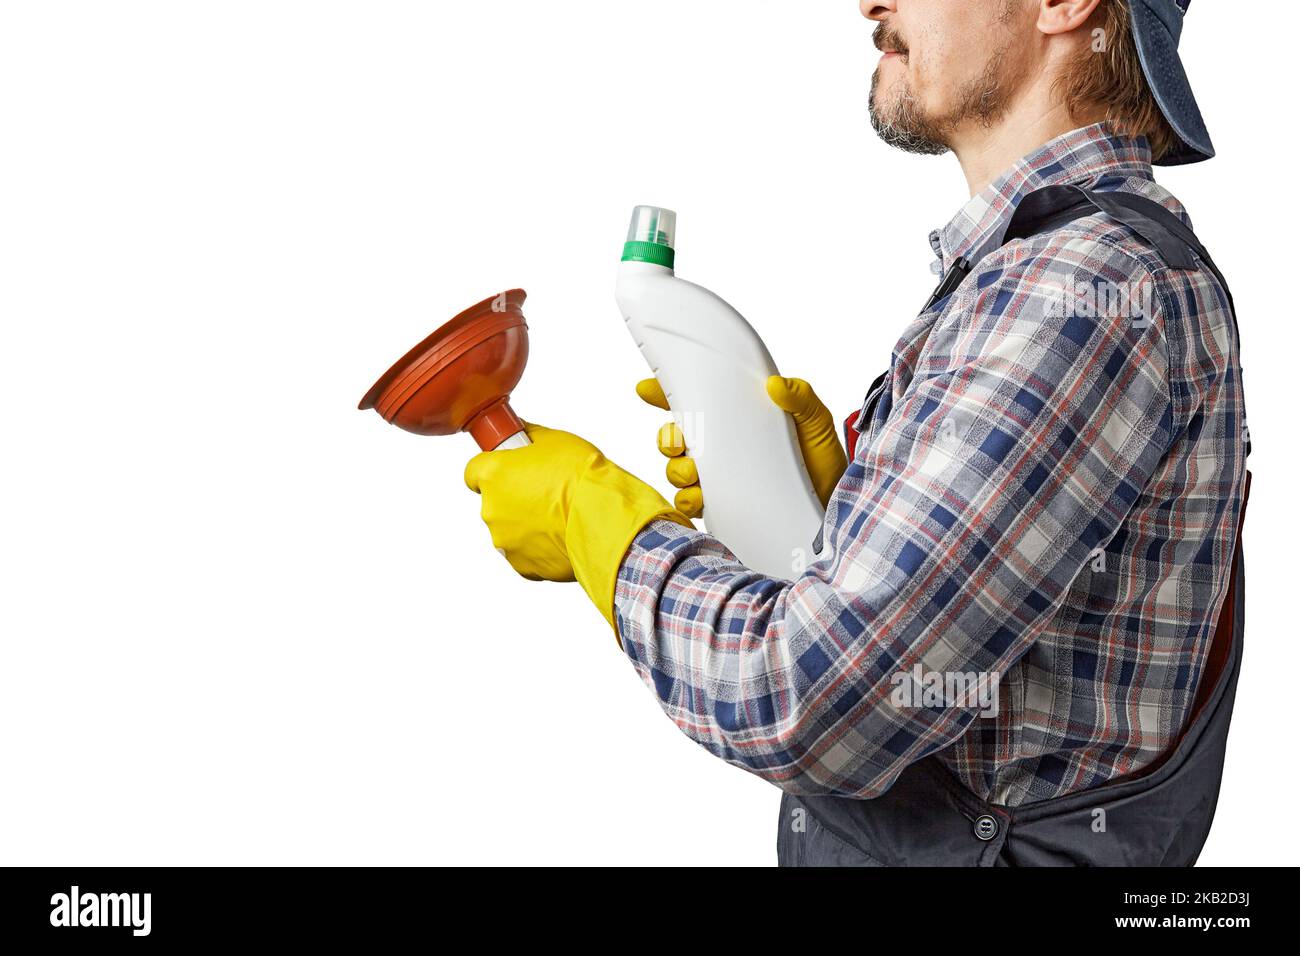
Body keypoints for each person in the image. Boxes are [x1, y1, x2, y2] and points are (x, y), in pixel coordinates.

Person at [464, 0, 1248, 866]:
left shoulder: (1079, 286)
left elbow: (815, 705)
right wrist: (836, 515)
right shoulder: (1045, 264)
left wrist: (595, 524)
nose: (870, 2)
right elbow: (1011, 649)